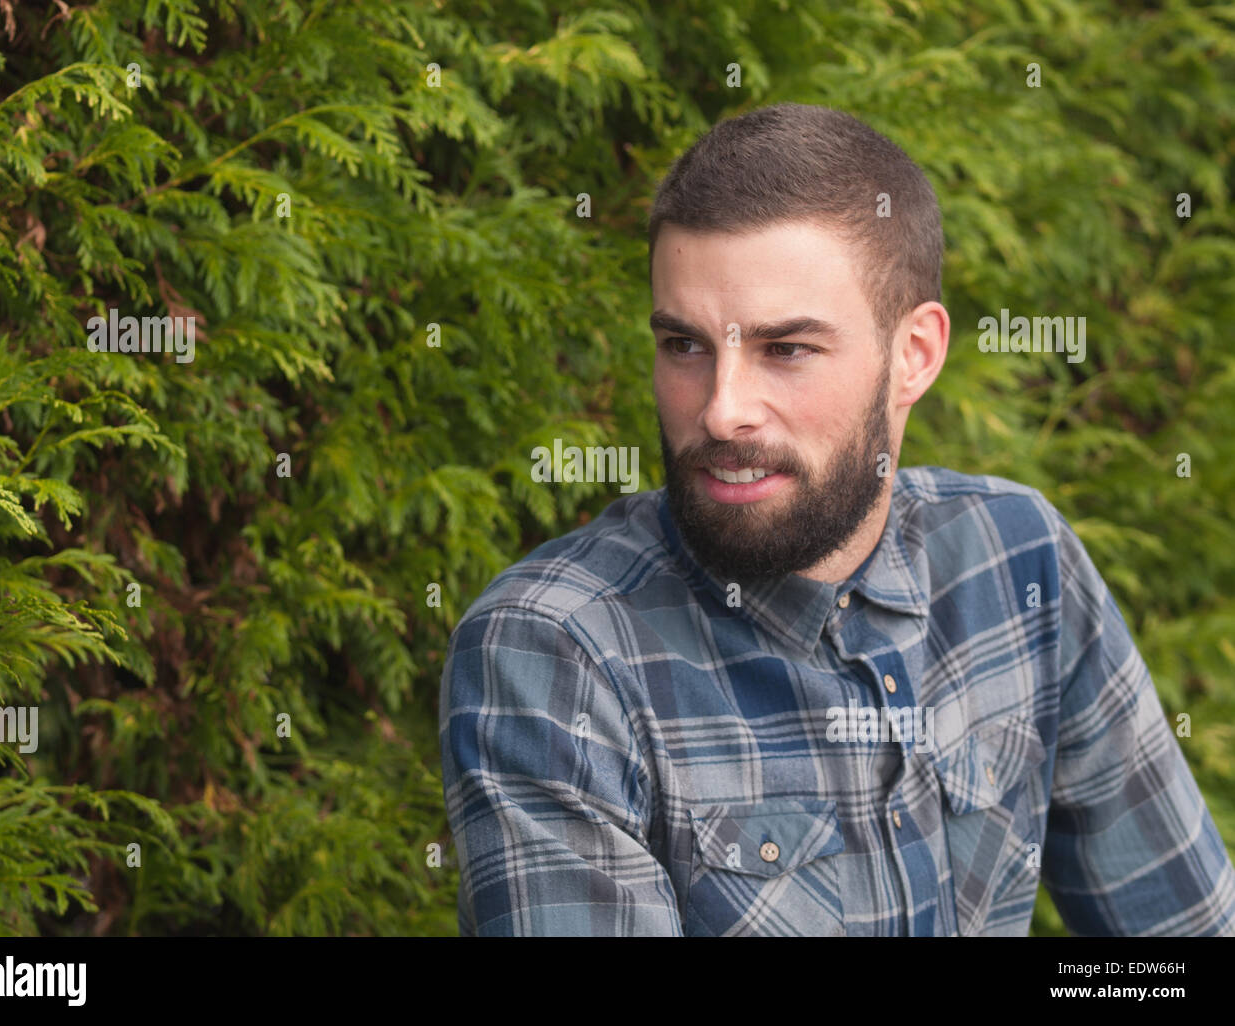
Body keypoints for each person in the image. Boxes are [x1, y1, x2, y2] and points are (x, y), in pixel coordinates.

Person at [438, 103, 1235, 936]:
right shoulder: (557, 652)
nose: (722, 412)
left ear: (914, 356)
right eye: (685, 346)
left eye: (786, 350)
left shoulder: (1016, 560)